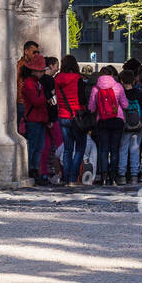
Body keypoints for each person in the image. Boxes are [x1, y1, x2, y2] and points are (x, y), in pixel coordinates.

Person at [89, 65, 128, 187]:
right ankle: (114, 178)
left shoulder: (95, 88)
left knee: (103, 149)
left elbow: (92, 108)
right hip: (117, 120)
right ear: (112, 75)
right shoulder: (118, 86)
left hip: (102, 121)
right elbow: (125, 105)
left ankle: (104, 177)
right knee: (115, 149)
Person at [54, 55, 89, 187]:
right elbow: (82, 99)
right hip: (77, 116)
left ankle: (66, 177)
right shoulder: (77, 79)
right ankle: (73, 179)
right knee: (80, 149)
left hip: (63, 116)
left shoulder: (57, 79)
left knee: (68, 149)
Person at [20, 54, 51, 185]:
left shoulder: (37, 83)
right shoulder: (29, 83)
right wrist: (48, 98)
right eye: (41, 71)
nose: (43, 73)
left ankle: (34, 169)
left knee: (39, 146)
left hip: (40, 118)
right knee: (33, 146)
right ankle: (31, 169)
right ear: (35, 71)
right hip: (33, 119)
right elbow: (36, 101)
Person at [118, 71, 142, 184]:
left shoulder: (121, 92)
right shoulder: (138, 92)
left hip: (125, 125)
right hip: (137, 125)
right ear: (133, 81)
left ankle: (122, 175)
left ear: (121, 81)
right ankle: (134, 175)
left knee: (123, 150)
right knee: (135, 150)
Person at [16, 40, 41, 128]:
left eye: (38, 52)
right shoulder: (20, 65)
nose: (36, 54)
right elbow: (15, 82)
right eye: (34, 52)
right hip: (22, 103)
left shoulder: (32, 65)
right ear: (26, 51)